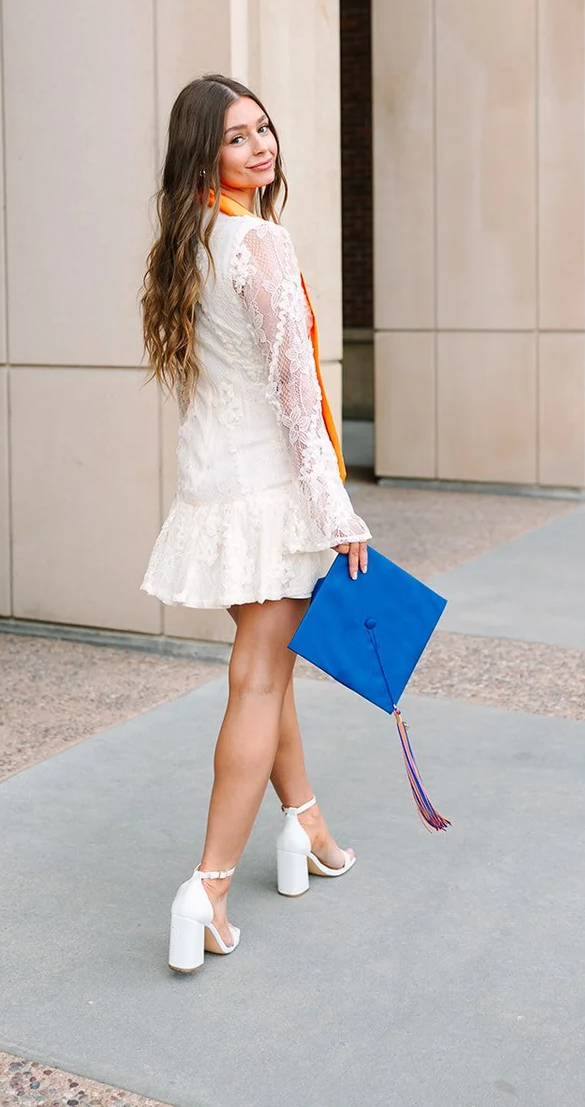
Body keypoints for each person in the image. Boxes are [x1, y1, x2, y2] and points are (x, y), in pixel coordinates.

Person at [140, 73, 371, 973]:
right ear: (207, 154)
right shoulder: (259, 243)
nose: (261, 147)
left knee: (267, 675)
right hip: (271, 494)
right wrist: (339, 513)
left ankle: (304, 830)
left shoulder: (185, 245)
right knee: (257, 681)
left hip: (217, 487)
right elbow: (296, 395)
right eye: (238, 138)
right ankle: (209, 889)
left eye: (264, 129)